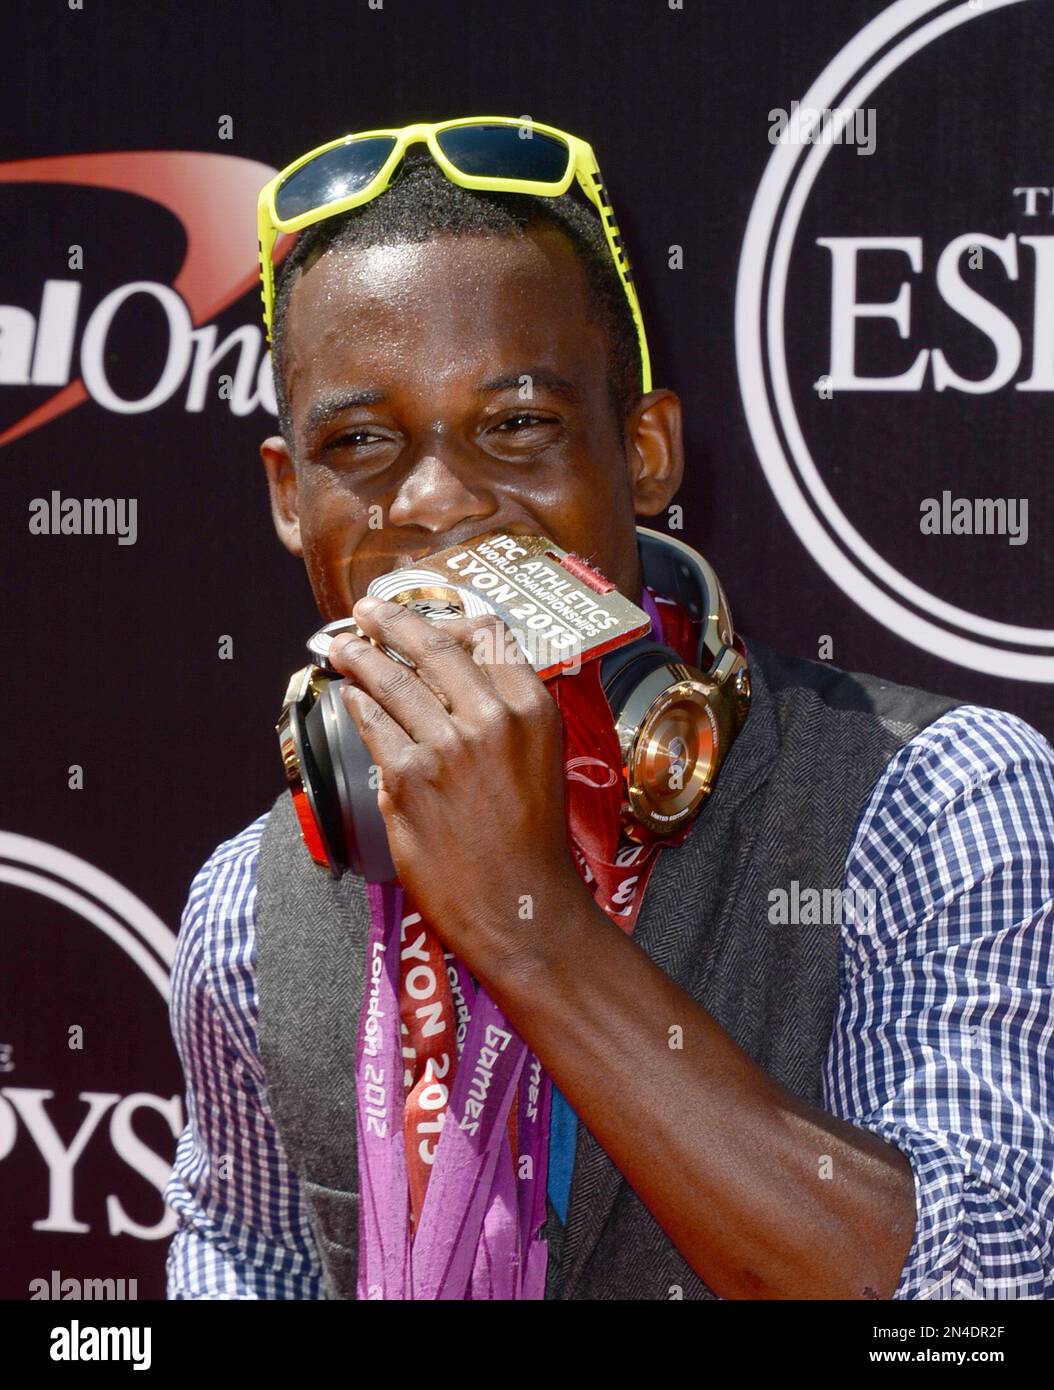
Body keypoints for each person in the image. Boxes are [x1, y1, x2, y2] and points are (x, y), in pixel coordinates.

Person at [163, 120, 1054, 1300]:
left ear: (643, 454)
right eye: (362, 442)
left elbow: (967, 1309)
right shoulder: (247, 905)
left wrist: (528, 925)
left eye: (516, 424)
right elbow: (244, 1258)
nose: (436, 503)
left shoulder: (941, 802)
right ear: (291, 497)